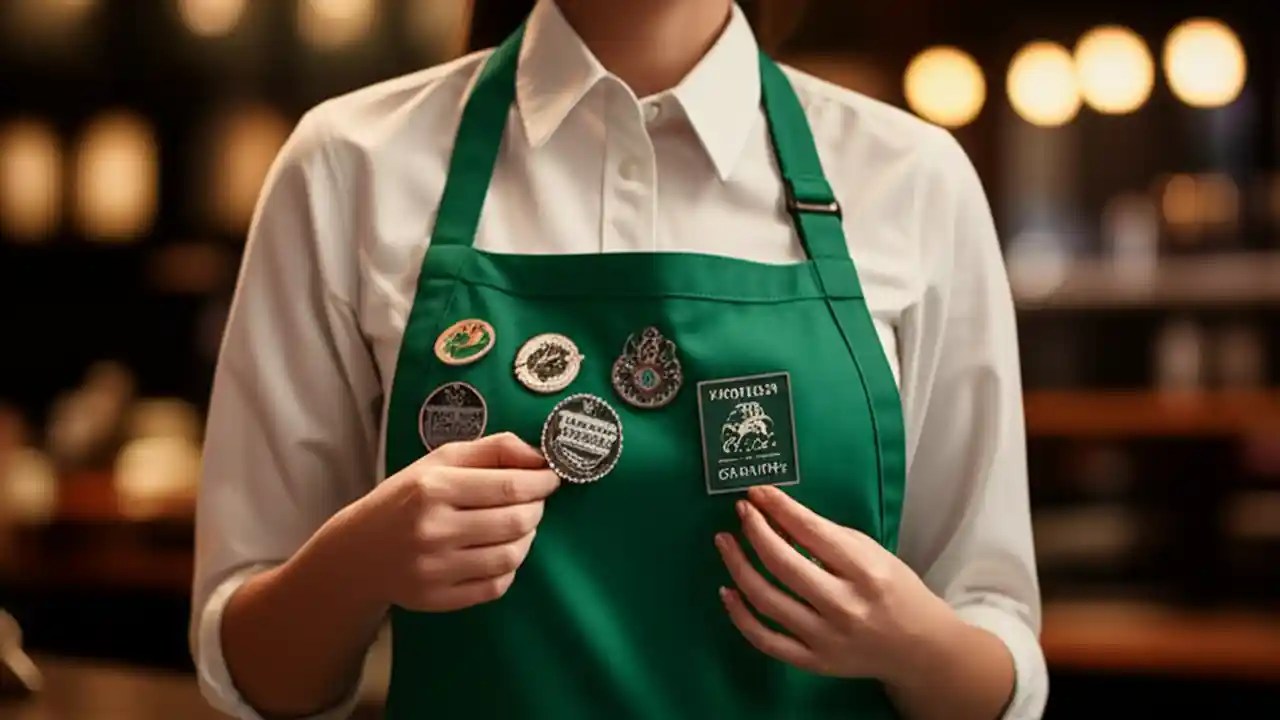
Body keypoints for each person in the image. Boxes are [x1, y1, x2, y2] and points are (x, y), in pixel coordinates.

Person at [190, 1, 1047, 718]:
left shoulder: (914, 179)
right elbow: (255, 676)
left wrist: (912, 644)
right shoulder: (348, 165)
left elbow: (995, 637)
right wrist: (358, 565)